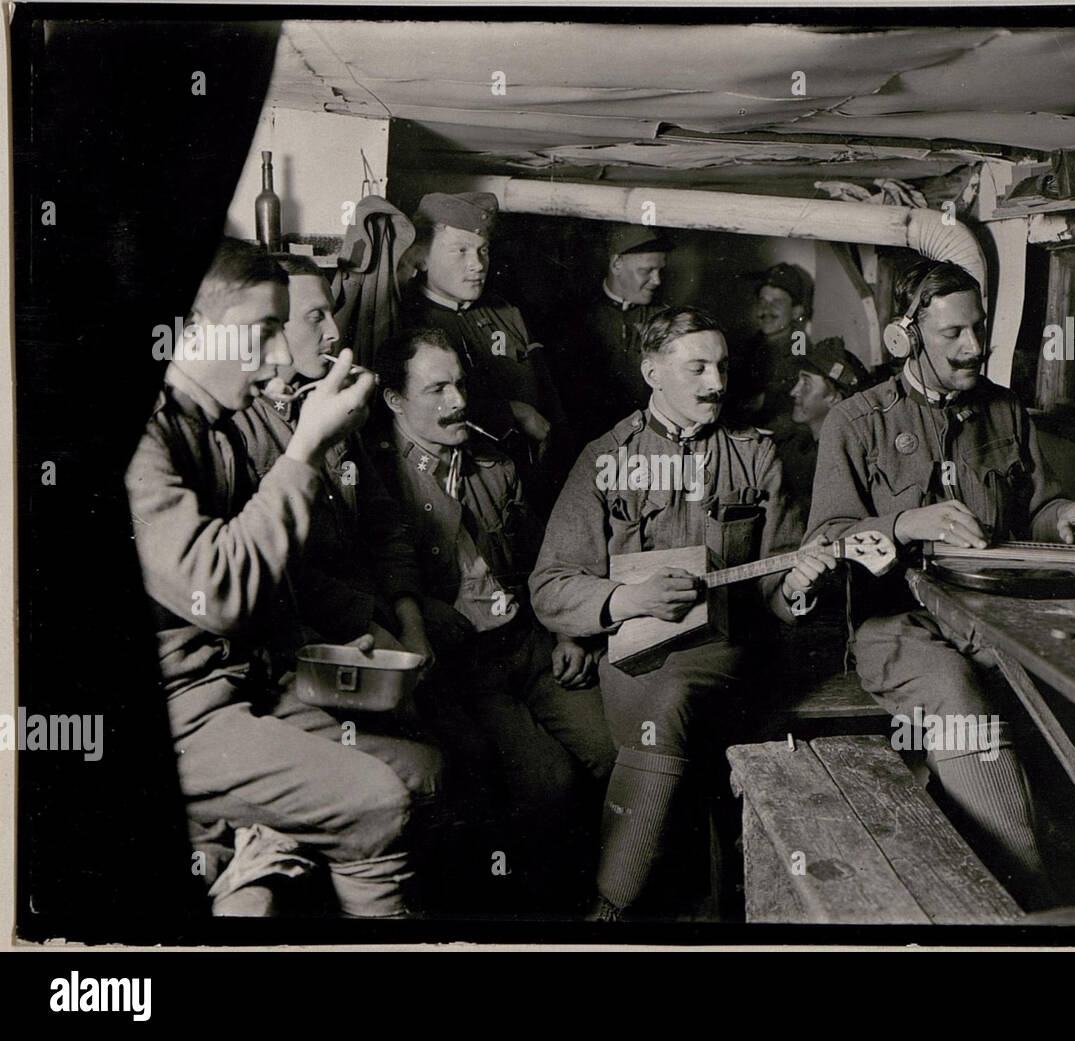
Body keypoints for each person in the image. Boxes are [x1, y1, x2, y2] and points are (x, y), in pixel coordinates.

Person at [805, 259, 1075, 909]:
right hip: (898, 625)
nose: (972, 347)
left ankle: (1073, 884)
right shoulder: (855, 420)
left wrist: (1067, 513)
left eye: (978, 329)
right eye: (952, 334)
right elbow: (828, 536)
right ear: (906, 337)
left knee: (1055, 706)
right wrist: (906, 520)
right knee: (958, 699)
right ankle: (1027, 904)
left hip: (993, 614)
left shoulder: (1003, 408)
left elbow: (1037, 508)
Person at [125, 239, 444, 918]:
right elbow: (217, 588)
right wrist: (304, 448)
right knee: (378, 799)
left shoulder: (220, 427)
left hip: (242, 679)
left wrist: (359, 634)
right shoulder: (147, 439)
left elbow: (277, 569)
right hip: (182, 712)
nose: (276, 357)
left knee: (422, 768)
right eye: (262, 331)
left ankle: (263, 837)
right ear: (187, 328)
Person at [530, 307, 838, 920]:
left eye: (720, 366)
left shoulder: (756, 457)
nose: (716, 384)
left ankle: (610, 908)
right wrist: (624, 600)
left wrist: (799, 586)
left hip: (723, 651)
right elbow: (550, 585)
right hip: (627, 652)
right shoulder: (604, 457)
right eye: (696, 368)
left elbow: (776, 583)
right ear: (652, 372)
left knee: (671, 703)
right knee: (642, 728)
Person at [369, 326, 615, 907]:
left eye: (460, 385)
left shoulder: (493, 461)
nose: (457, 402)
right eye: (436, 389)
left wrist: (568, 629)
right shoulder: (373, 477)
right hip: (464, 668)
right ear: (394, 399)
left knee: (614, 751)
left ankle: (607, 902)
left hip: (530, 644)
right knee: (546, 782)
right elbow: (376, 580)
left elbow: (545, 560)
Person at [232, 254, 434, 663]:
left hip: (381, 617)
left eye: (332, 312)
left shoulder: (327, 403)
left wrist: (412, 623)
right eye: (315, 317)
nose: (334, 331)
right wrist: (371, 628)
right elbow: (280, 571)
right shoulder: (238, 427)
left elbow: (384, 528)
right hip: (317, 636)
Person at [398, 191, 570, 491]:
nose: (478, 265)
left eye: (483, 250)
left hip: (532, 478)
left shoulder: (507, 313)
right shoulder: (405, 320)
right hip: (464, 484)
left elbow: (549, 396)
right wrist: (511, 411)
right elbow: (415, 411)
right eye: (460, 251)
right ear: (422, 258)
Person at [554, 223, 673, 446]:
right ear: (617, 264)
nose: (657, 280)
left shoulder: (666, 319)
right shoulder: (572, 316)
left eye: (660, 271)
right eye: (647, 271)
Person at [771, 336, 870, 525]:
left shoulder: (841, 461)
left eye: (806, 384)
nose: (794, 392)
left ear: (834, 398)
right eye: (798, 381)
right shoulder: (795, 448)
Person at [729, 262, 813, 427]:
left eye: (778, 302)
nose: (766, 309)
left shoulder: (799, 344)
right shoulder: (748, 345)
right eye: (762, 300)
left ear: (796, 312)